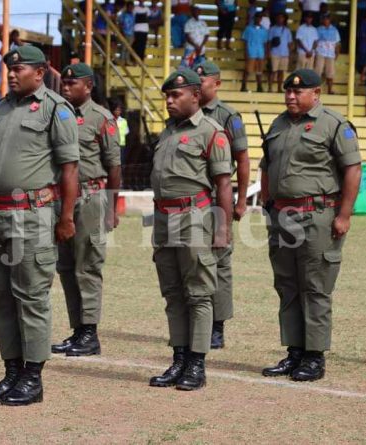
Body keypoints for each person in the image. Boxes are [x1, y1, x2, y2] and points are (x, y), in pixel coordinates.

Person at [0, 45, 79, 406]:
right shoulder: (3, 106)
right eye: (10, 69)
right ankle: (11, 371)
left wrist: (66, 217)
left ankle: (32, 378)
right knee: (0, 295)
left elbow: (70, 169)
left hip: (32, 213)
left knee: (31, 295)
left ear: (40, 73)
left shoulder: (56, 109)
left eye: (21, 69)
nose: (14, 73)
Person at [260, 69, 361, 382]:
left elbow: (353, 170)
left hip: (317, 215)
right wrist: (267, 205)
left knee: (315, 286)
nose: (291, 96)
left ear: (316, 93)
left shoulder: (334, 124)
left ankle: (314, 357)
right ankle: (295, 352)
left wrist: (343, 215)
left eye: (298, 92)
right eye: (287, 91)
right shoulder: (278, 124)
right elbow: (267, 166)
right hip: (282, 217)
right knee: (287, 285)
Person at [149, 68, 233, 391]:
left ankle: (197, 363)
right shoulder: (168, 132)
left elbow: (223, 185)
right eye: (167, 96)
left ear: (195, 96)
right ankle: (179, 357)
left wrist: (222, 229)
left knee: (199, 293)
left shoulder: (211, 132)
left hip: (195, 218)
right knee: (173, 294)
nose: (169, 101)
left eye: (175, 96)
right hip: (164, 221)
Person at [52, 63, 121, 357]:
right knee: (66, 267)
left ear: (89, 86)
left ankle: (90, 332)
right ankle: (77, 329)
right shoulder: (57, 114)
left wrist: (112, 207)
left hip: (90, 197)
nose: (66, 86)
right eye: (64, 82)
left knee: (88, 266)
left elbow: (114, 166)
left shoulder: (101, 118)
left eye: (73, 83)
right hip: (60, 199)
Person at [194, 61, 250, 349]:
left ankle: (217, 325)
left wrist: (240, 202)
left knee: (220, 263)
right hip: (192, 201)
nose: (198, 83)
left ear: (216, 84)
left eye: (203, 80)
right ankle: (197, 323)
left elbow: (241, 158)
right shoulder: (185, 112)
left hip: (218, 198)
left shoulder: (228, 116)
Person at [241, 12, 269, 92]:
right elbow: (245, 41)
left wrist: (266, 53)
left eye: (260, 18)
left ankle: (259, 86)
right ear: (254, 18)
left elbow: (265, 42)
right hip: (251, 51)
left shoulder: (264, 30)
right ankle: (243, 86)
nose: (258, 19)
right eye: (257, 17)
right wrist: (246, 52)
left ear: (261, 19)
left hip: (260, 52)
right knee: (248, 70)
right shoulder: (248, 28)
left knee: (259, 71)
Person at [314, 14, 340, 94]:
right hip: (320, 52)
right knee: (318, 71)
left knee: (330, 73)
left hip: (330, 53)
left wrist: (337, 53)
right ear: (322, 20)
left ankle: (329, 90)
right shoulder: (318, 29)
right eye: (324, 19)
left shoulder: (334, 30)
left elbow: (338, 43)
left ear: (329, 20)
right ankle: (316, 90)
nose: (326, 20)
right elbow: (315, 42)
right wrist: (314, 52)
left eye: (327, 19)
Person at [267, 13, 292, 93]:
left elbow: (289, 43)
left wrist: (290, 53)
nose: (280, 19)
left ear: (284, 19)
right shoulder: (272, 29)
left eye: (282, 18)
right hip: (275, 53)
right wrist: (268, 53)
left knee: (281, 71)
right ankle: (270, 88)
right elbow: (269, 42)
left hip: (285, 53)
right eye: (278, 17)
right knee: (273, 71)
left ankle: (279, 88)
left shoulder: (287, 30)